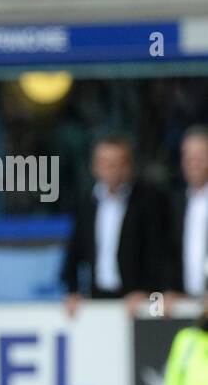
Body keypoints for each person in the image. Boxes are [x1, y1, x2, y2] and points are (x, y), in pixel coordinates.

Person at [61, 135, 170, 317]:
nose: (111, 170)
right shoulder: (87, 203)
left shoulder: (146, 201)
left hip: (138, 300)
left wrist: (147, 291)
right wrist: (73, 291)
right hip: (99, 296)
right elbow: (74, 252)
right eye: (105, 163)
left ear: (128, 166)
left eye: (116, 163)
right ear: (94, 167)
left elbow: (157, 253)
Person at [168, 126, 208, 298]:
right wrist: (170, 291)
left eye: (200, 156)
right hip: (184, 302)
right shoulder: (175, 202)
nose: (194, 163)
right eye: (188, 156)